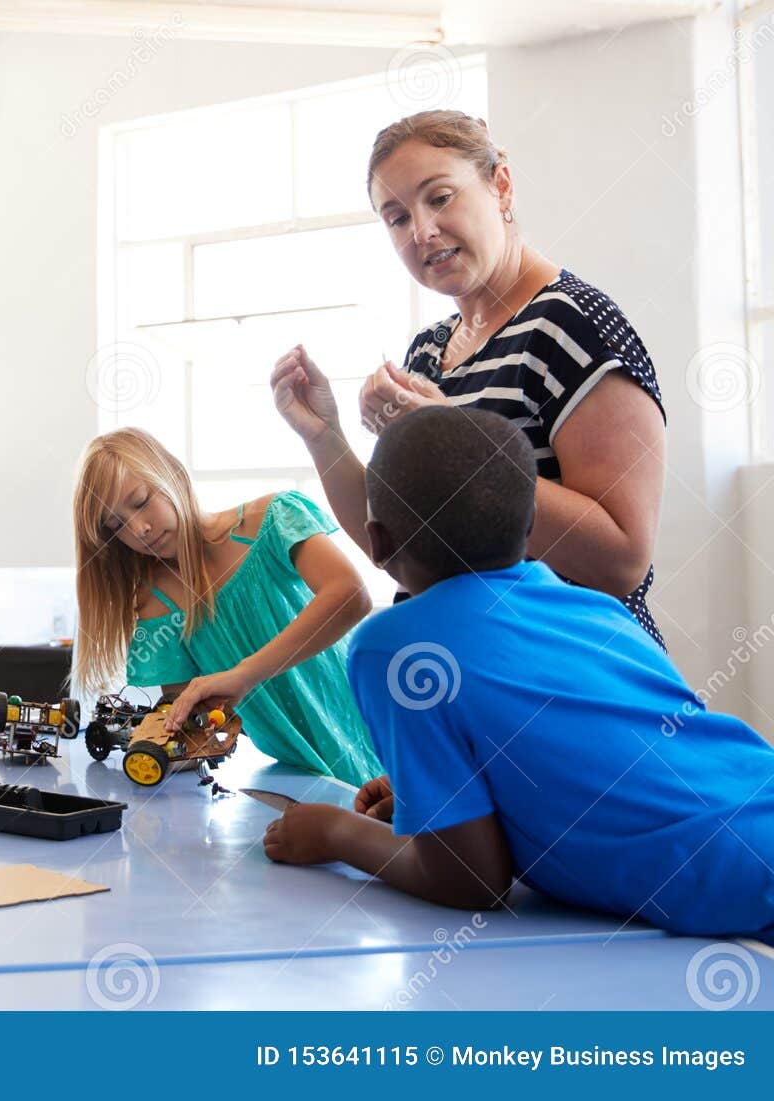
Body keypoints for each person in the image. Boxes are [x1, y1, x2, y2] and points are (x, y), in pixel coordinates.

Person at [264, 407, 774, 938]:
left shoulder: (390, 648)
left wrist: (335, 833)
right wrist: (438, 792)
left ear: (378, 541)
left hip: (743, 875)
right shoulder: (601, 610)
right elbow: (610, 748)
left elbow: (469, 882)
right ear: (530, 524)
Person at [271, 110, 666, 645]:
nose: (422, 231)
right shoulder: (428, 351)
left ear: (501, 185)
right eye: (397, 218)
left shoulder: (571, 324)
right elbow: (400, 550)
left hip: (568, 669)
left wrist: (456, 436)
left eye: (439, 197)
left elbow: (622, 560)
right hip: (463, 669)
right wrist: (324, 436)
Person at [72, 428, 383, 786]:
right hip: (299, 776)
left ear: (172, 473)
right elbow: (190, 730)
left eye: (141, 501)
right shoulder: (157, 606)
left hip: (373, 726)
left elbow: (351, 595)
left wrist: (244, 674)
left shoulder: (272, 519)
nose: (138, 529)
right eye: (117, 526)